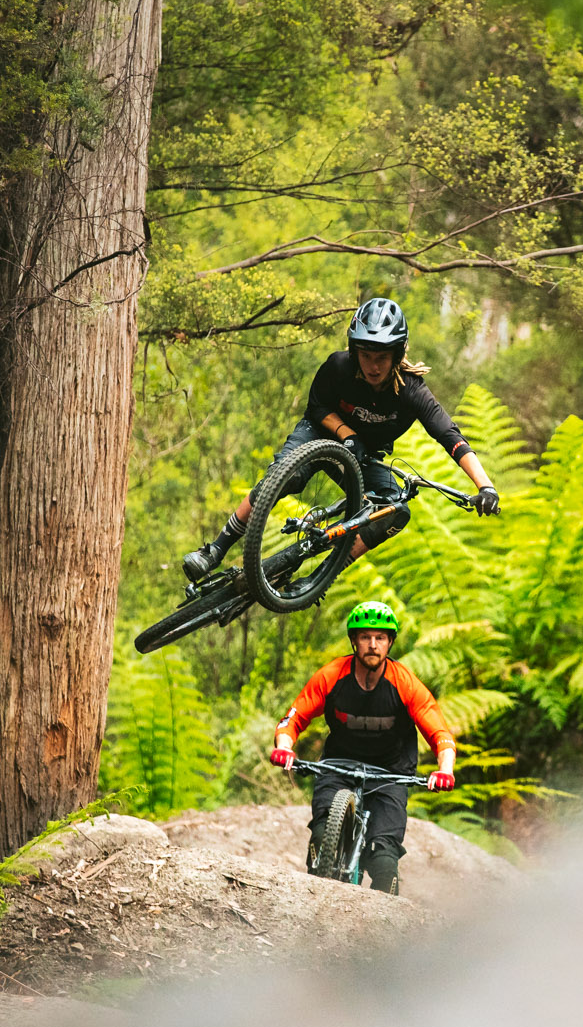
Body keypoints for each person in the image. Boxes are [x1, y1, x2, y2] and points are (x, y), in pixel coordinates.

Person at [183, 297, 502, 581]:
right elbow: (317, 406)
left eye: (382, 358)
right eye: (366, 356)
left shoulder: (411, 391)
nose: (373, 366)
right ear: (354, 351)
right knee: (285, 477)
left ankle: (325, 575)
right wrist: (347, 435)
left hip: (360, 457)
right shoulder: (338, 366)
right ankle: (214, 550)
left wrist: (484, 486)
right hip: (318, 433)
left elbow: (450, 436)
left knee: (395, 510)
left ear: (397, 354)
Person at [267, 600, 456, 895]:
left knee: (383, 859)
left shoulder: (404, 683)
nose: (372, 644)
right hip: (338, 766)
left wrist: (445, 770)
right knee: (321, 831)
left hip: (391, 775)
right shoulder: (331, 675)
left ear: (390, 642)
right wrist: (285, 747)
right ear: (354, 641)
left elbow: (440, 733)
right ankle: (313, 893)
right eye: (365, 637)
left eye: (380, 638)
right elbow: (293, 718)